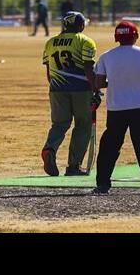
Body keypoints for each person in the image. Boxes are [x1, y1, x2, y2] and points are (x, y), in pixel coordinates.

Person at [92, 21, 140, 195]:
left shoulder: (106, 56)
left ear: (116, 38)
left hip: (117, 108)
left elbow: (100, 83)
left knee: (110, 146)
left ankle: (103, 184)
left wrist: (117, 82)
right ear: (136, 36)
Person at [40, 12, 99, 177]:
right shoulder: (85, 41)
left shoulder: (50, 42)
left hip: (56, 88)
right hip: (81, 89)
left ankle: (49, 148)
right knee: (83, 125)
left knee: (59, 124)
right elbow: (89, 68)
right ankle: (74, 166)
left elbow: (49, 71)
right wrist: (96, 89)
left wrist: (54, 86)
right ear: (81, 25)